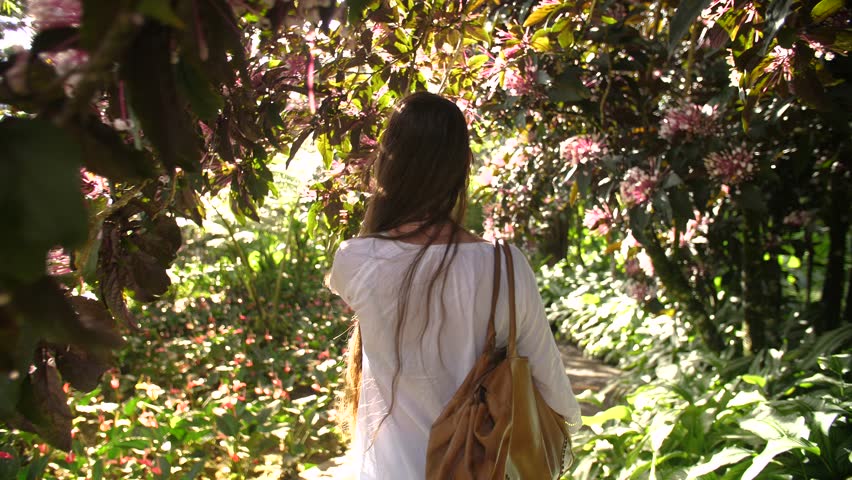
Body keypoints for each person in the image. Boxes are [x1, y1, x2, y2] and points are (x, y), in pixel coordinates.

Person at [327, 92, 581, 480]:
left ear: (386, 164)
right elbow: (555, 393)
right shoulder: (504, 265)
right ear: (463, 168)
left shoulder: (356, 260)